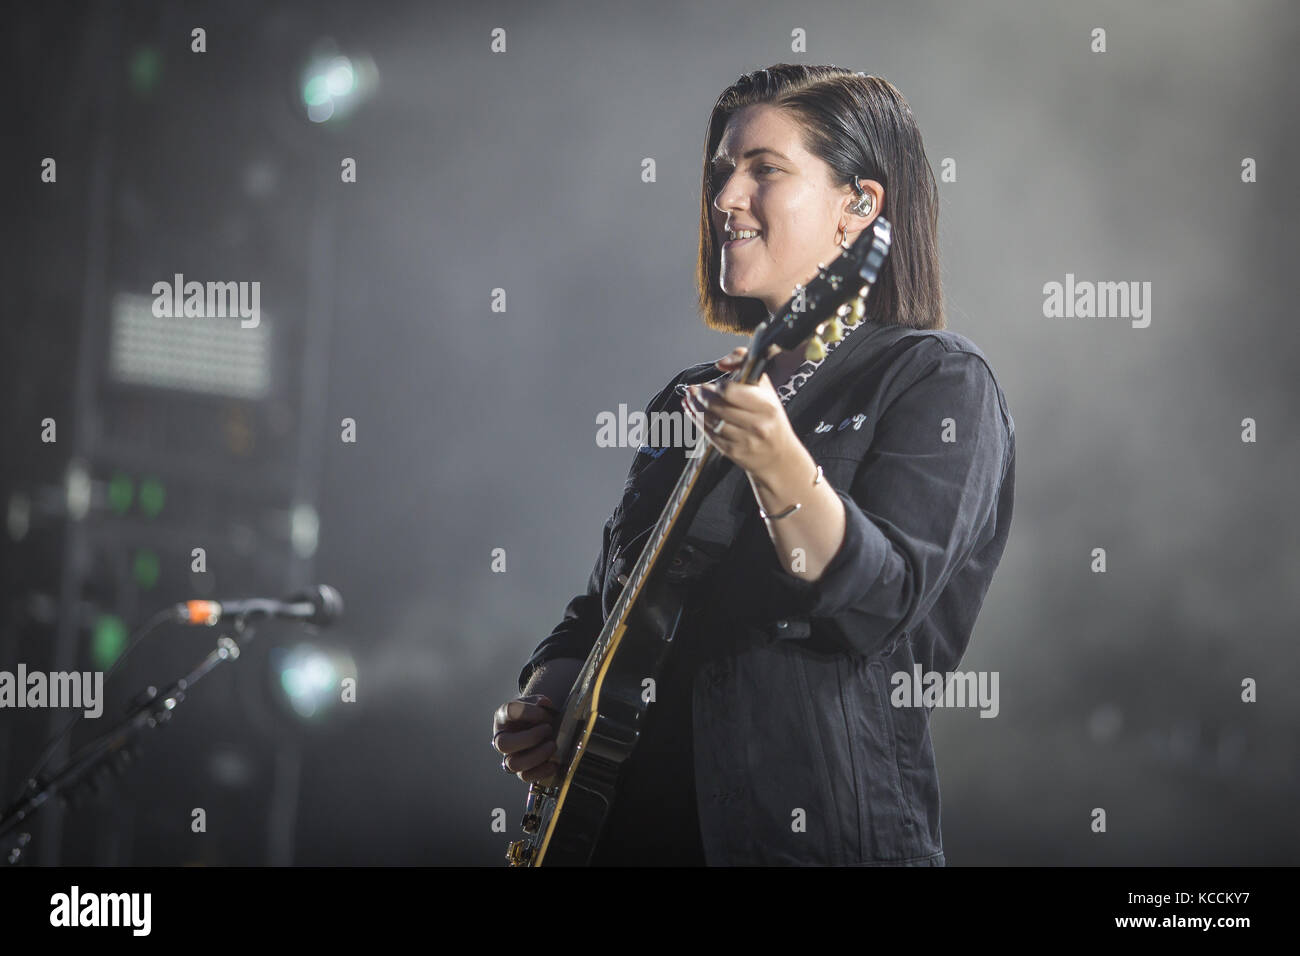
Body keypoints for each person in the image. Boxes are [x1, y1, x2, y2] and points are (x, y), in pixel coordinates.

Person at [492, 64, 1016, 866]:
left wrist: (778, 460)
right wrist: (547, 698)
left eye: (763, 170)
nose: (725, 197)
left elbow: (877, 603)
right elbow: (605, 603)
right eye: (721, 172)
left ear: (859, 208)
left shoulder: (934, 378)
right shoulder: (689, 396)